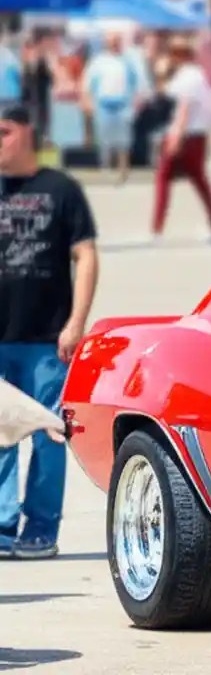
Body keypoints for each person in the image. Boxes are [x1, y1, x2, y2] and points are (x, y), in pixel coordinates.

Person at [0, 104, 99, 560]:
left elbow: (86, 256)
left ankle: (40, 529)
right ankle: (1, 527)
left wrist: (76, 323)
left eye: (5, 132)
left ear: (28, 134)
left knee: (48, 433)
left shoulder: (60, 189)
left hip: (46, 339)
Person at [154, 39, 211, 243]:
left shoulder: (188, 77)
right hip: (197, 134)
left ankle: (157, 228)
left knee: (164, 178)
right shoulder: (196, 75)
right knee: (200, 180)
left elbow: (184, 108)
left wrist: (176, 136)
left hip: (185, 134)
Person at [82, 31, 142, 185]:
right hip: (103, 106)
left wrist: (136, 102)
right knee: (104, 139)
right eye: (112, 41)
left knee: (123, 141)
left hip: (123, 106)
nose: (114, 44)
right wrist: (88, 102)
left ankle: (123, 171)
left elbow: (137, 84)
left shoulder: (128, 61)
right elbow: (87, 84)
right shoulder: (98, 61)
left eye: (117, 41)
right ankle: (106, 170)